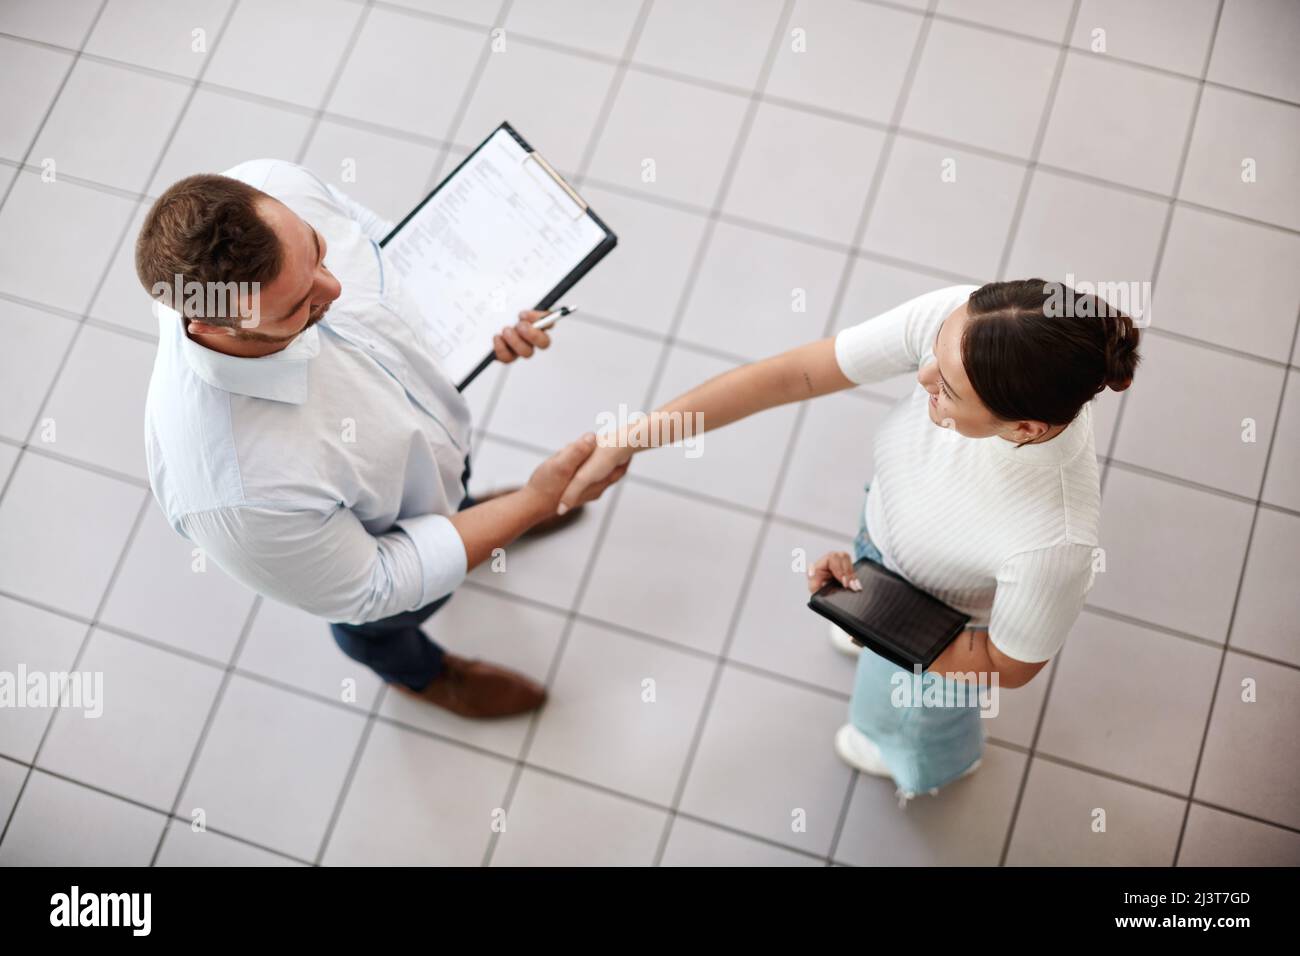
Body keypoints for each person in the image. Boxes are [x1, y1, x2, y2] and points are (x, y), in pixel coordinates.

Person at [558, 281, 1141, 802]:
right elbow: (792, 375)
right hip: (883, 538)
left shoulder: (1053, 543)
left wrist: (884, 623)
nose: (921, 377)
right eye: (934, 352)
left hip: (942, 627)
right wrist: (635, 439)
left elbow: (1002, 666)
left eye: (947, 391)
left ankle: (927, 759)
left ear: (1025, 428)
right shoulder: (969, 327)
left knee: (894, 717)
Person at [136, 160, 624, 720]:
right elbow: (376, 585)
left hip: (429, 458)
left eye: (317, 250)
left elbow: (386, 251)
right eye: (300, 306)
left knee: (454, 499)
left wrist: (490, 306)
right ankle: (422, 676)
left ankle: (472, 516)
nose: (334, 287)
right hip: (385, 545)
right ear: (216, 328)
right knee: (379, 629)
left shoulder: (274, 184)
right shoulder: (239, 494)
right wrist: (535, 503)